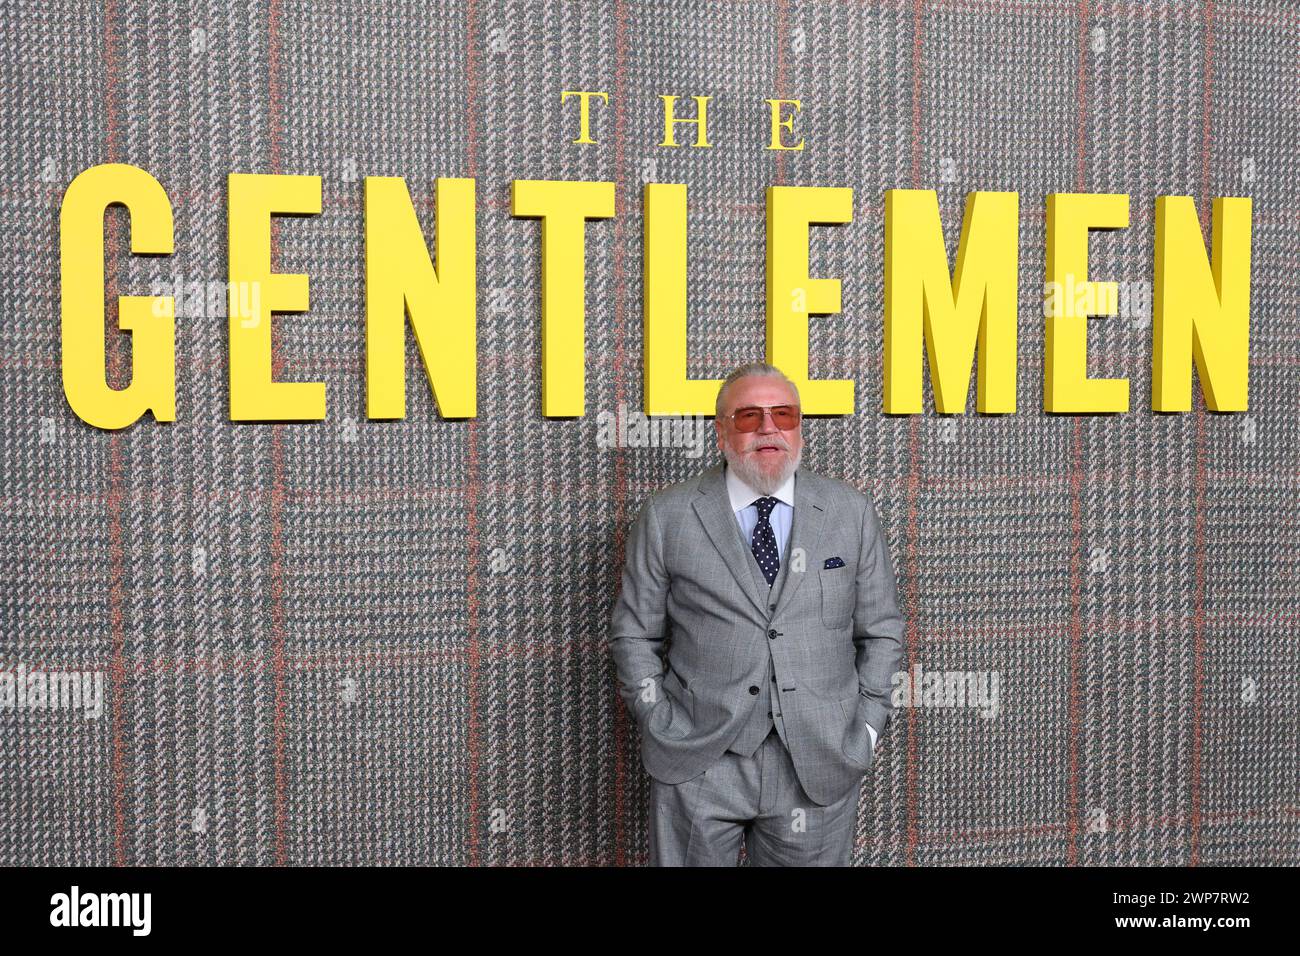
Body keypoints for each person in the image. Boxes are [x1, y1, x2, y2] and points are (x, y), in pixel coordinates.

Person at [608, 361, 905, 865]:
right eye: (748, 417)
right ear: (720, 432)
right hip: (698, 760)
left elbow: (881, 631)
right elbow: (633, 636)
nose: (768, 429)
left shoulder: (849, 513)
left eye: (783, 415)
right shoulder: (668, 516)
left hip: (817, 760)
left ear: (799, 429)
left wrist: (867, 726)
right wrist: (660, 719)